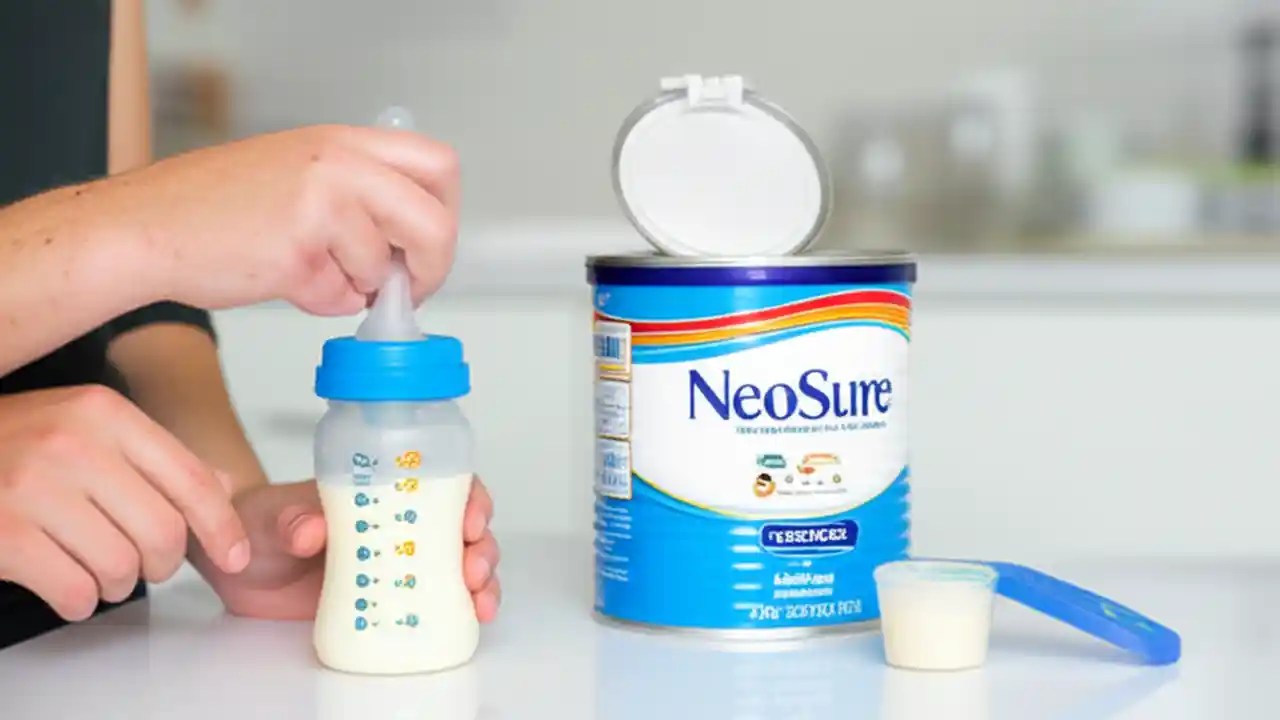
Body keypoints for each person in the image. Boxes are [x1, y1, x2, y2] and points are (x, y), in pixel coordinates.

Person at [0, 0, 500, 648]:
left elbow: (133, 304)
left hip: (82, 644)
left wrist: (229, 520)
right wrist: (155, 220)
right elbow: (122, 235)